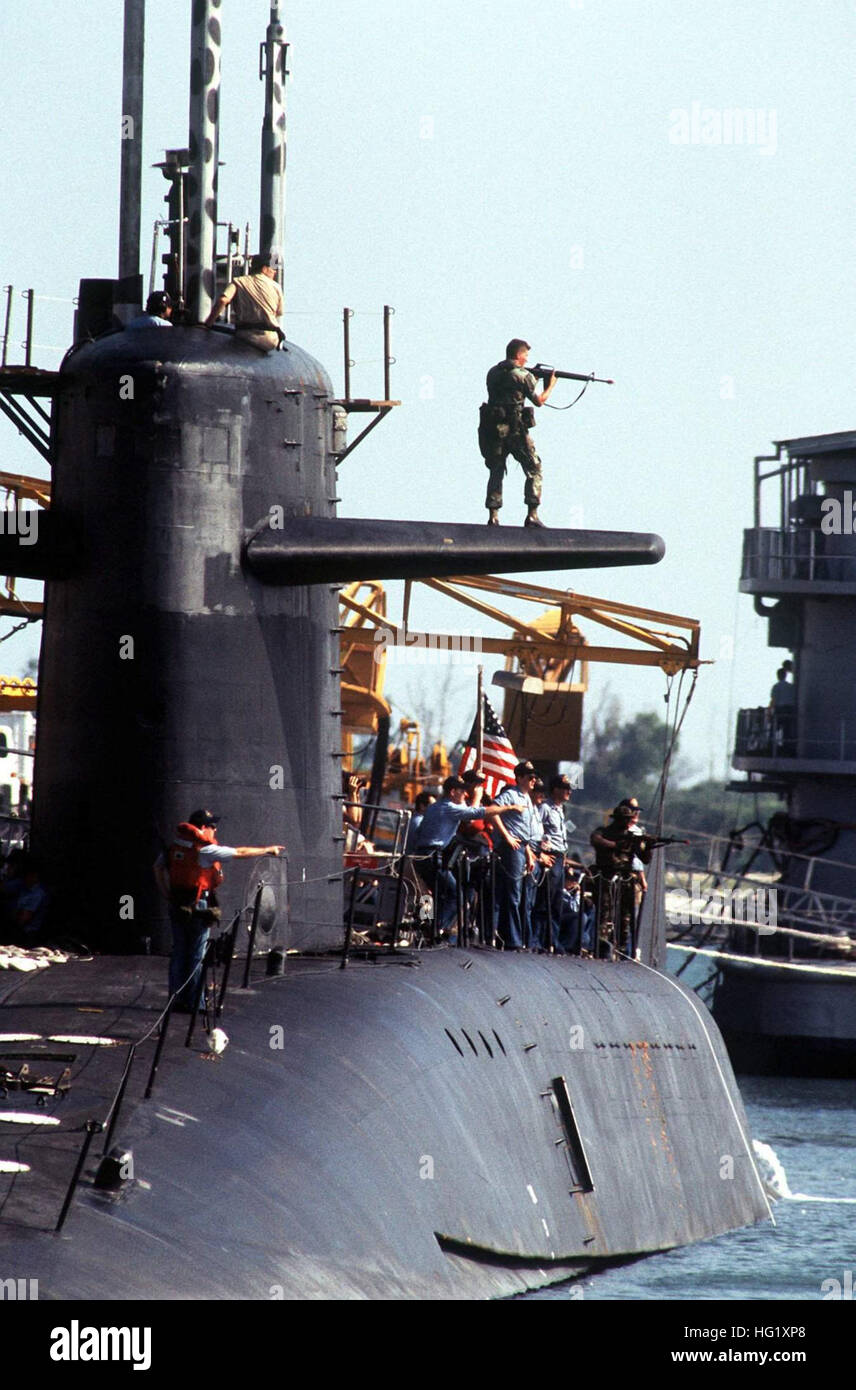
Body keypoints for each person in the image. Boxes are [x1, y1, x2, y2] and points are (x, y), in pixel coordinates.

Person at [153, 809, 285, 1012]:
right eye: (213, 827)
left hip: (177, 904)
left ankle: (175, 1000)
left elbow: (158, 868)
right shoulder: (205, 850)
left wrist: (166, 893)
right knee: (197, 954)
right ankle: (195, 1003)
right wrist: (268, 850)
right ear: (203, 828)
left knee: (179, 952)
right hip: (199, 906)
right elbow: (240, 852)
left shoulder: (174, 847)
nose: (215, 831)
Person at [478, 338, 557, 527]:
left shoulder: (493, 372)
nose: (527, 360)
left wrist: (532, 379)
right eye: (526, 356)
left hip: (494, 429)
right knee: (534, 468)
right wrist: (550, 386)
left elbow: (510, 391)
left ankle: (493, 516)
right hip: (515, 431)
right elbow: (538, 401)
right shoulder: (523, 376)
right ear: (519, 355)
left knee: (496, 469)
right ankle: (532, 514)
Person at [492, 760, 542, 950]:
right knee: (512, 894)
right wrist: (507, 836)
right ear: (519, 777)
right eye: (530, 777)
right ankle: (512, 940)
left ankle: (516, 937)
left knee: (519, 895)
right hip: (511, 848)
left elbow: (525, 831)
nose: (533, 780)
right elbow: (493, 812)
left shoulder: (527, 798)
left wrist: (528, 852)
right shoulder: (511, 794)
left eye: (535, 777)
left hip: (522, 849)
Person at [203, 253, 284, 351]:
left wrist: (208, 325)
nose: (274, 272)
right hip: (270, 340)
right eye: (273, 269)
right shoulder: (276, 287)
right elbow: (277, 313)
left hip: (246, 336)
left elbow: (223, 300)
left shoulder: (238, 281)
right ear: (264, 268)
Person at [769, 665, 796, 754]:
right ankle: (786, 746)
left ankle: (772, 746)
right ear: (785, 675)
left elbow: (773, 700)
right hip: (789, 710)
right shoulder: (790, 686)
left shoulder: (776, 687)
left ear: (778, 676)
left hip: (780, 709)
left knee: (774, 728)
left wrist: (770, 712)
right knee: (787, 730)